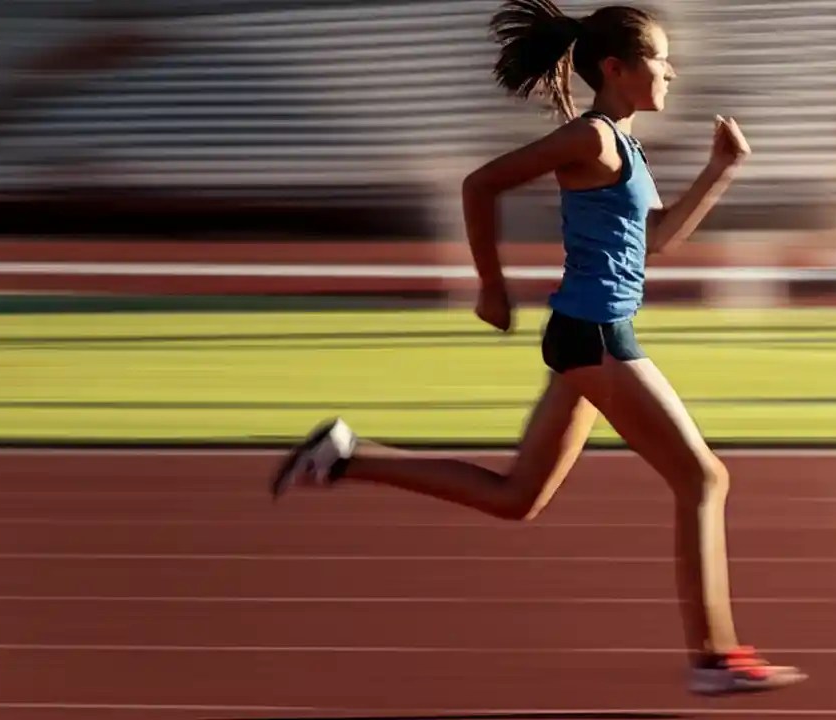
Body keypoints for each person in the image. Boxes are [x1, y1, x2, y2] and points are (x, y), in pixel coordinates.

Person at [270, 0, 807, 695]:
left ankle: (344, 457)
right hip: (594, 335)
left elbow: (653, 243)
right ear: (616, 68)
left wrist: (720, 169)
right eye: (659, 59)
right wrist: (491, 287)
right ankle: (713, 658)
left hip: (590, 333)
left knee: (518, 497)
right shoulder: (591, 139)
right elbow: (480, 183)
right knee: (703, 479)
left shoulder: (625, 144)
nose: (672, 70)